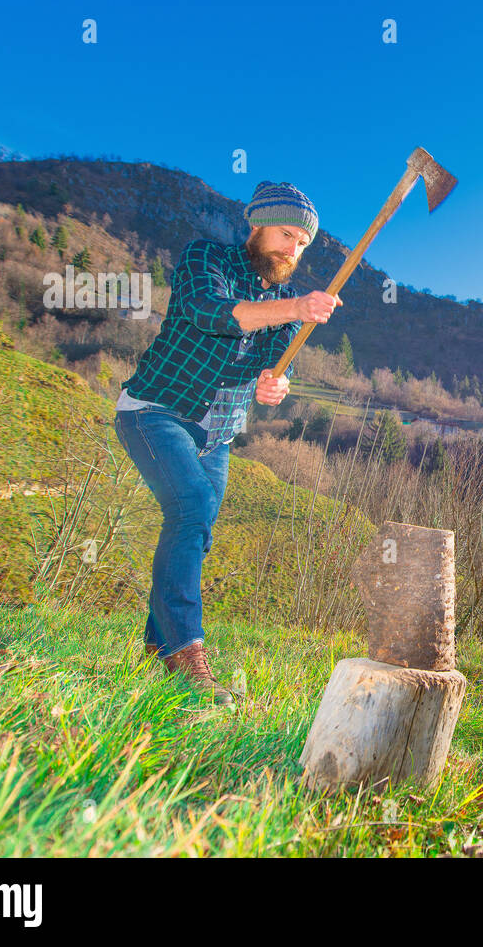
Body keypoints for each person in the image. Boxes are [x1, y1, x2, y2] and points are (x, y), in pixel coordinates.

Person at [114, 180, 341, 705]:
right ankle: (186, 656)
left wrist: (275, 385)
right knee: (191, 508)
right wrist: (295, 308)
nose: (293, 249)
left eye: (303, 244)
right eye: (286, 234)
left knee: (197, 531)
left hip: (217, 435)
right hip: (155, 412)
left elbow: (273, 372)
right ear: (256, 224)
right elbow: (212, 312)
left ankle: (156, 650)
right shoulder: (205, 258)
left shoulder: (285, 306)